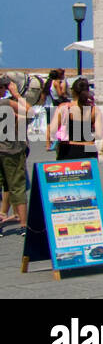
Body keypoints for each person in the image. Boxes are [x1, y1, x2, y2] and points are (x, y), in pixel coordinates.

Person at [0, 74, 33, 234]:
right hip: (11, 151)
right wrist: (17, 95)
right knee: (17, 187)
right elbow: (30, 112)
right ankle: (23, 225)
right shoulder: (6, 103)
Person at [49, 78, 101, 160]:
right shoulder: (94, 109)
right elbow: (99, 134)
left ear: (73, 91)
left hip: (69, 149)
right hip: (89, 149)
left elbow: (52, 130)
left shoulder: (64, 107)